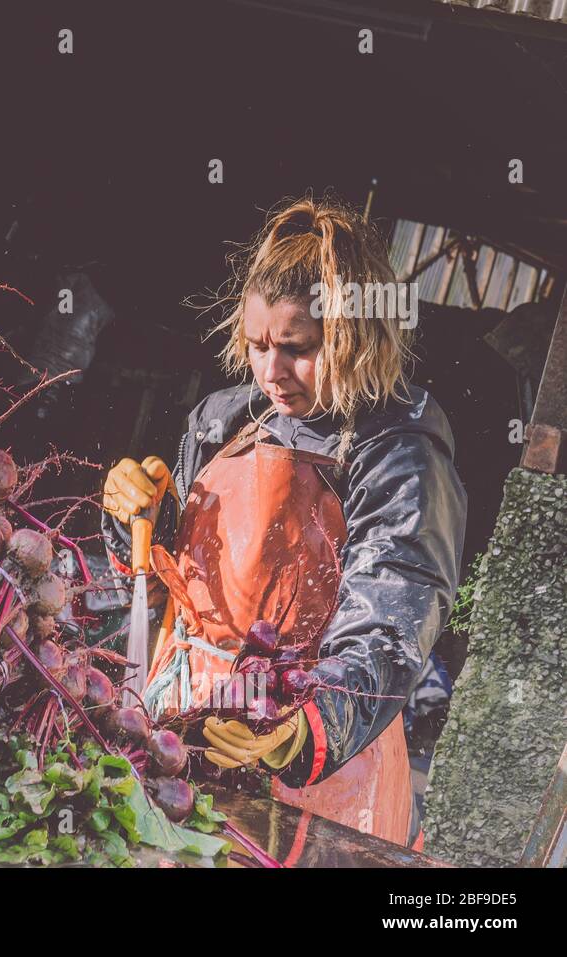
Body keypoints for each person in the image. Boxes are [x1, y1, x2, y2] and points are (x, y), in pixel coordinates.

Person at [101, 196, 467, 846]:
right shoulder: (223, 420)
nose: (271, 371)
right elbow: (166, 593)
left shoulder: (400, 447)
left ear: (355, 334)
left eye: (296, 349)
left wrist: (300, 727)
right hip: (180, 731)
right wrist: (136, 518)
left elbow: (390, 631)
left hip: (314, 763)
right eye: (257, 344)